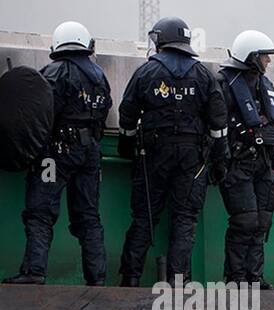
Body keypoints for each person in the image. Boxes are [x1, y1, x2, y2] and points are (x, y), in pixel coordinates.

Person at [117, 16, 228, 286]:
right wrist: (219, 159)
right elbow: (218, 121)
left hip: (153, 154)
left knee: (144, 216)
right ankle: (179, 284)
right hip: (192, 158)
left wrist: (127, 147)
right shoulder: (203, 74)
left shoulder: (146, 72)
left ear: (162, 39)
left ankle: (130, 280)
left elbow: (127, 114)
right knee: (185, 219)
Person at [4, 22, 112, 286]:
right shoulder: (99, 76)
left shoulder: (53, 73)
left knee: (40, 212)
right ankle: (97, 280)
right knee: (88, 217)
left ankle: (34, 271)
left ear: (57, 44)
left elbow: (36, 113)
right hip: (90, 155)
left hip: (55, 155)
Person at [216, 30, 274, 286]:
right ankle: (235, 278)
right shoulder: (223, 84)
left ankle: (255, 277)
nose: (269, 62)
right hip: (237, 162)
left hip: (264, 163)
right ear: (252, 56)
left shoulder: (267, 87)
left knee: (262, 221)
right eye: (265, 56)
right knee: (244, 221)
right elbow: (217, 122)